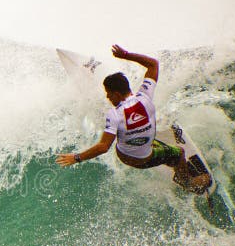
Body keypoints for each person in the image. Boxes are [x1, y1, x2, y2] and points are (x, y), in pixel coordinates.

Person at [55, 44, 211, 193]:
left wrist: (76, 158)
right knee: (177, 152)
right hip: (141, 157)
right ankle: (185, 180)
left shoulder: (114, 114)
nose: (108, 97)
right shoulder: (145, 96)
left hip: (126, 154)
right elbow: (153, 64)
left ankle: (182, 179)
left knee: (169, 147)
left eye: (108, 93)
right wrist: (126, 55)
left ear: (116, 94)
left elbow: (104, 146)